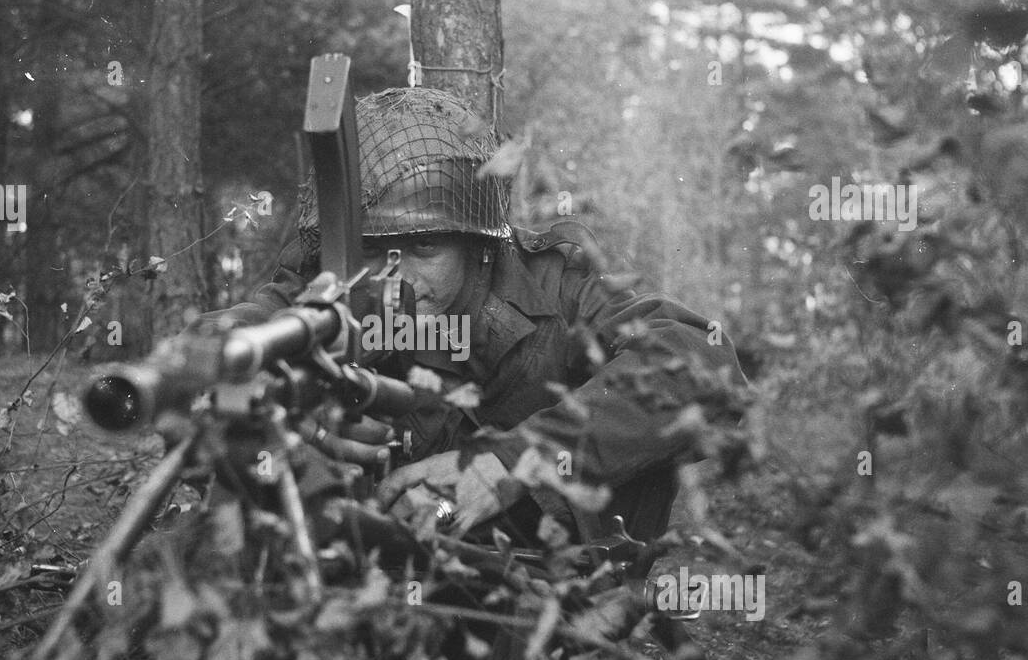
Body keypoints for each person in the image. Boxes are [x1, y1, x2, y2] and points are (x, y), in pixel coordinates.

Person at [201, 86, 745, 566]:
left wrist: (512, 464)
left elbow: (700, 363)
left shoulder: (558, 286)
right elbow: (224, 339)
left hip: (541, 589)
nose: (397, 278)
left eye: (424, 246)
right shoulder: (325, 289)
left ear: (477, 247)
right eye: (372, 250)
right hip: (357, 573)